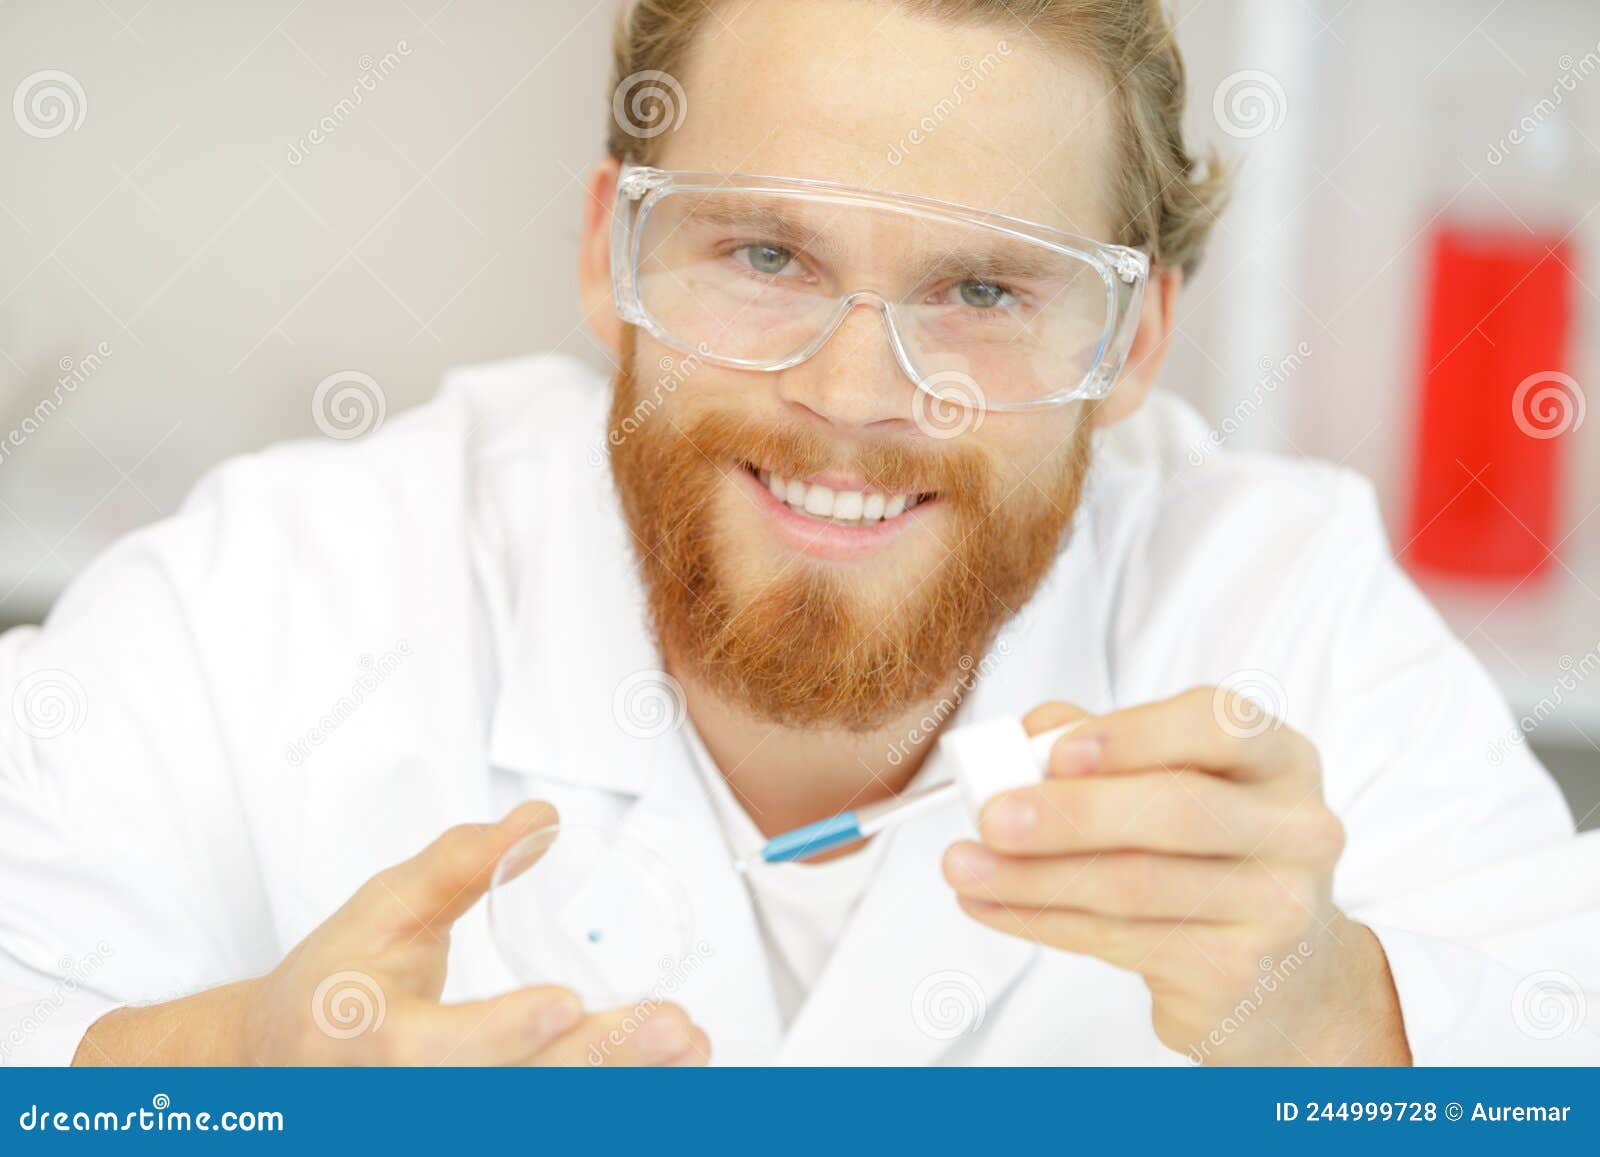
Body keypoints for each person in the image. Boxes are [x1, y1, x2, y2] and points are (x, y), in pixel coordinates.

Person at [1, 0, 1594, 1067]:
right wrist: (223, 1084)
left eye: (983, 292)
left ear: (1138, 341)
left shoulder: (1283, 613)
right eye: (763, 252)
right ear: (603, 251)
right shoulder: (272, 597)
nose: (850, 394)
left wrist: (1339, 1013)